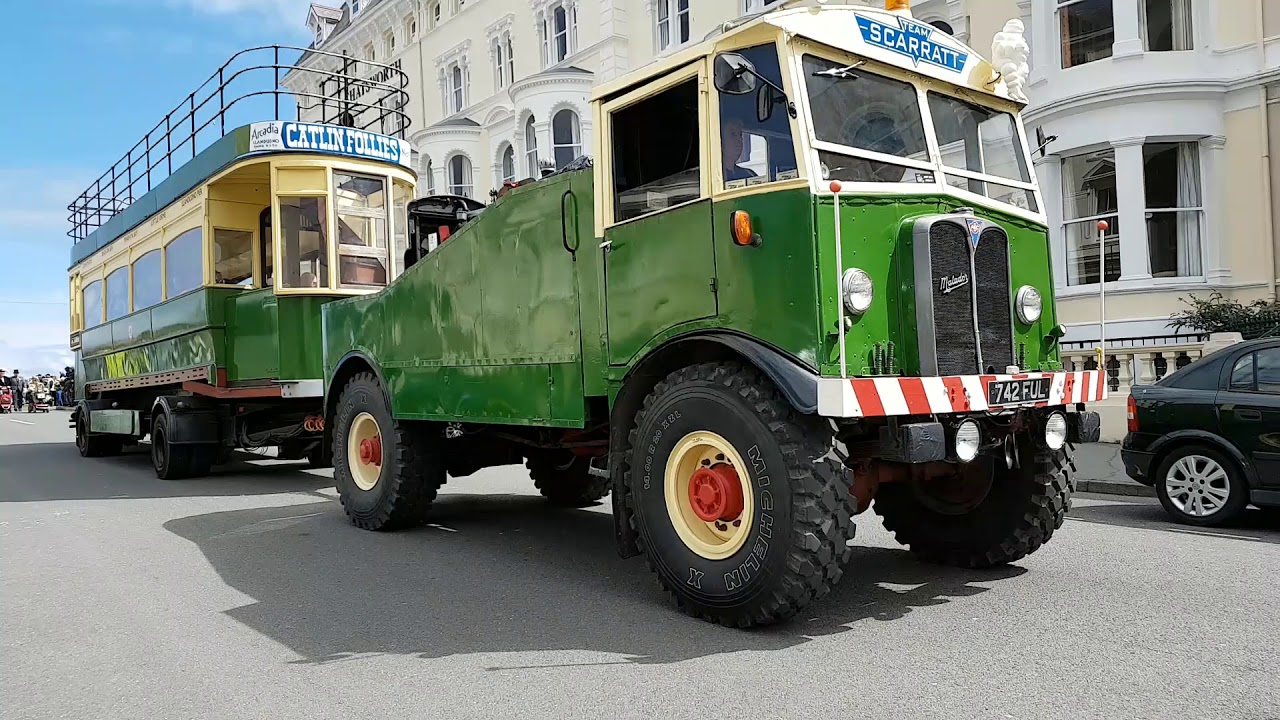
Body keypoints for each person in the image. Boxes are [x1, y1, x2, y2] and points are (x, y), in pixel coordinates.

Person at [721, 118, 758, 184]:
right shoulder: (715, 177)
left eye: (740, 135)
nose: (739, 140)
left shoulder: (749, 175)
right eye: (733, 134)